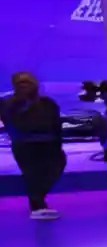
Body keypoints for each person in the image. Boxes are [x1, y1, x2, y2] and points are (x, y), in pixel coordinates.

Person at [0, 72, 66, 219]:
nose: (24, 86)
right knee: (33, 174)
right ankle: (37, 204)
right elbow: (11, 122)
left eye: (27, 82)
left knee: (55, 169)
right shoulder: (8, 104)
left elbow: (56, 124)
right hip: (25, 144)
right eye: (20, 83)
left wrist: (58, 142)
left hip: (49, 143)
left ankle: (38, 200)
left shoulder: (48, 103)